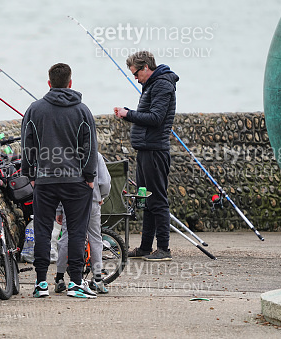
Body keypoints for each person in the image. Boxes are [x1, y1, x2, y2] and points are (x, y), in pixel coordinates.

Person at [21, 63, 98, 298]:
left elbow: (27, 146)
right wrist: (89, 176)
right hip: (76, 181)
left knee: (43, 229)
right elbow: (90, 147)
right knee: (76, 230)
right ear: (70, 83)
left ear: (49, 83)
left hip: (44, 181)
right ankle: (75, 283)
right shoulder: (83, 111)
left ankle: (41, 283)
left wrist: (31, 175)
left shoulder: (35, 110)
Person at [113, 51, 179, 261]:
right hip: (146, 149)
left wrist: (128, 114)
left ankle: (164, 249)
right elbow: (148, 117)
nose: (135, 78)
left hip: (155, 151)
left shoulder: (161, 84)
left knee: (157, 199)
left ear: (145, 68)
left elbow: (156, 118)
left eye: (135, 74)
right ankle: (144, 247)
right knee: (146, 199)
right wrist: (129, 114)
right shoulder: (152, 85)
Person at [54, 152, 111, 294]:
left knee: (66, 237)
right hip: (92, 201)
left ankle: (59, 278)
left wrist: (59, 209)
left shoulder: (64, 154)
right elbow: (105, 182)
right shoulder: (95, 155)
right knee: (95, 238)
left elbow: (59, 184)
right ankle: (97, 279)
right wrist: (101, 196)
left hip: (70, 202)